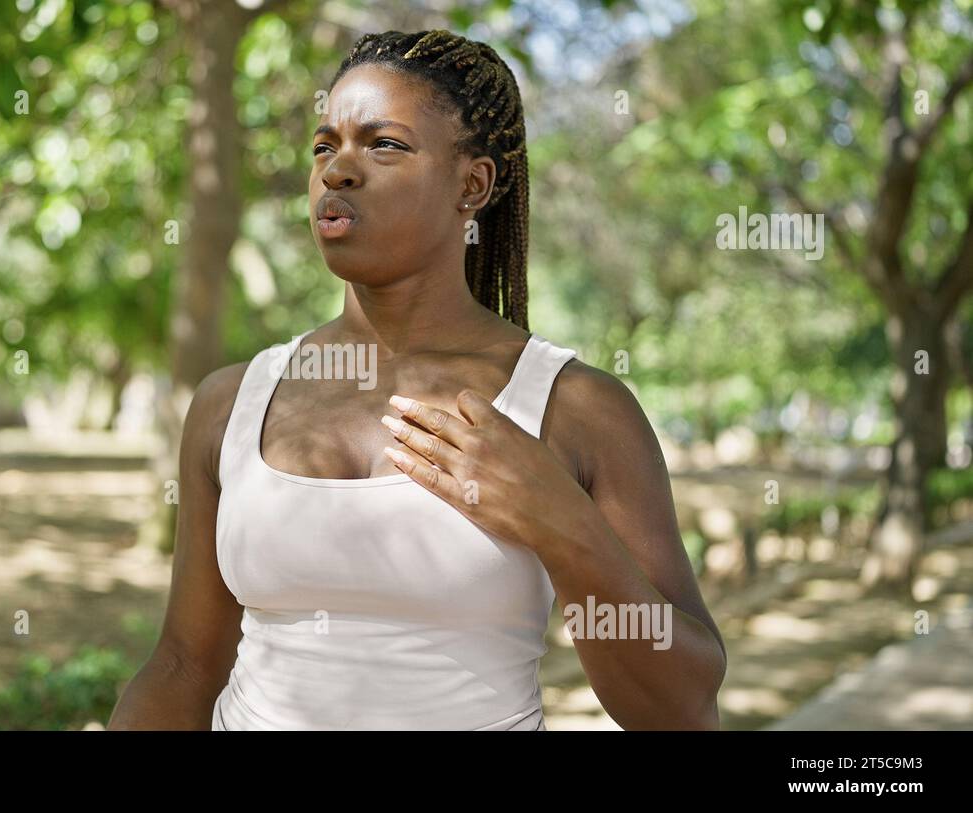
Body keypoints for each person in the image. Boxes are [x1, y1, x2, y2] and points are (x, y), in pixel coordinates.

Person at [108, 29, 726, 730]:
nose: (338, 169)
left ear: (473, 184)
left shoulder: (574, 410)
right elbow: (184, 664)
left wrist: (562, 523)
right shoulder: (231, 403)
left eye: (384, 144)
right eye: (324, 145)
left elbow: (682, 706)